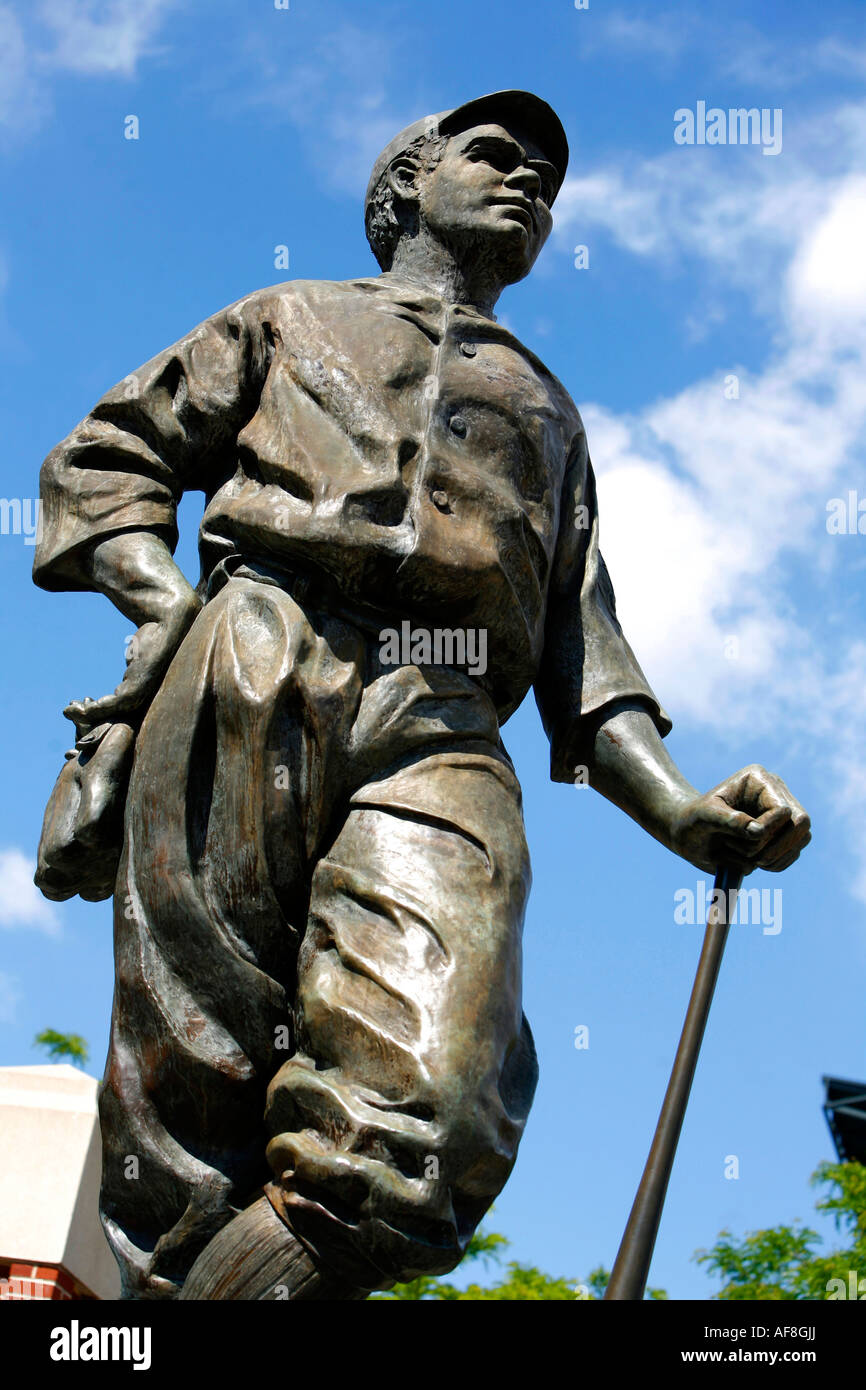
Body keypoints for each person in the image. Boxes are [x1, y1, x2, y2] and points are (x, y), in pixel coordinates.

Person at [33, 91, 810, 1300]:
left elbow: (583, 652)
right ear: (405, 185)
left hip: (444, 716)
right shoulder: (287, 316)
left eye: (545, 180)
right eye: (494, 156)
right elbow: (107, 460)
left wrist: (681, 812)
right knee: (193, 1090)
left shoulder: (548, 408)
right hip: (249, 657)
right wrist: (162, 607)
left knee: (435, 1109)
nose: (527, 185)